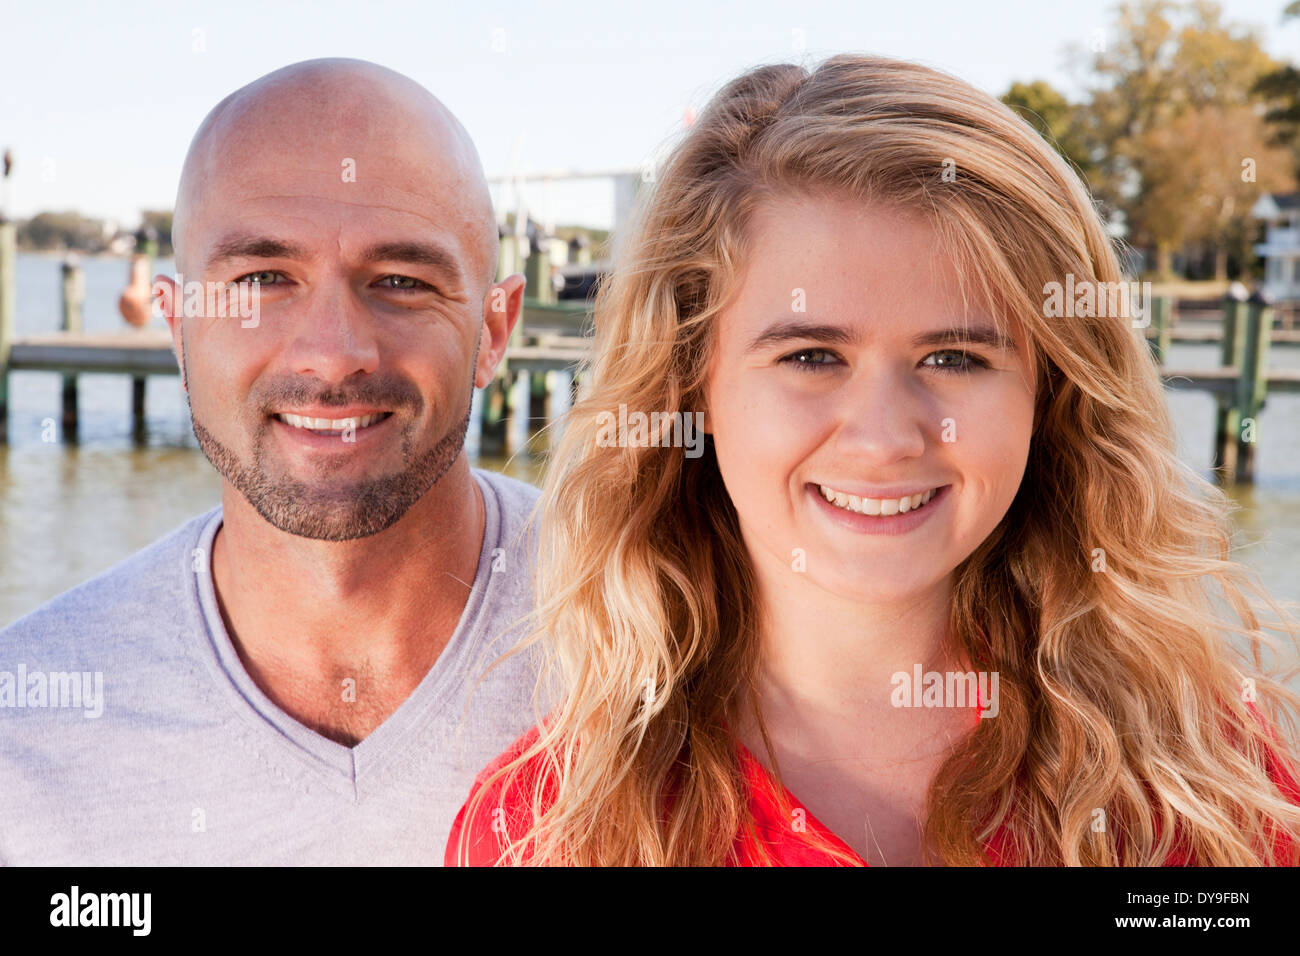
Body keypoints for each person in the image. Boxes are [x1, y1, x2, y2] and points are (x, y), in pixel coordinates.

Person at [447, 53, 1300, 866]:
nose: (886, 437)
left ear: (1051, 395)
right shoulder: (544, 831)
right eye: (812, 356)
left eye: (958, 358)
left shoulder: (1215, 800)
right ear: (690, 384)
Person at [0, 58, 545, 864]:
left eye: (399, 280)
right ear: (178, 326)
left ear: (495, 330)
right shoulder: (26, 730)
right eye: (260, 280)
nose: (332, 356)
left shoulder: (685, 628)